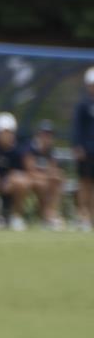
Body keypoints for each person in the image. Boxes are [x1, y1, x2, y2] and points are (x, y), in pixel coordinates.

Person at [25, 121, 66, 231]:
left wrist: (52, 175)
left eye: (49, 135)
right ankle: (48, 216)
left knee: (58, 178)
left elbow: (54, 169)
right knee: (43, 184)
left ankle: (52, 213)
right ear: (39, 134)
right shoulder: (31, 148)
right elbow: (30, 171)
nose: (47, 137)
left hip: (45, 180)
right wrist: (47, 176)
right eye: (44, 134)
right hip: (30, 179)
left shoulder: (50, 151)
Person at [75, 69, 94, 233]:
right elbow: (77, 128)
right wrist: (78, 146)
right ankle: (83, 216)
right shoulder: (83, 105)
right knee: (85, 183)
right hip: (86, 151)